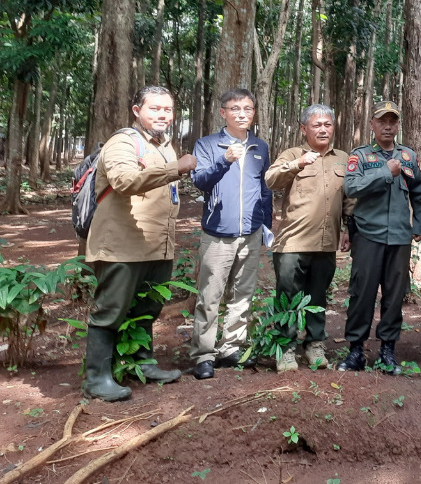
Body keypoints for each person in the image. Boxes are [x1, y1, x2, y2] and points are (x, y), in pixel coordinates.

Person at [83, 86, 197, 401]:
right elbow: (123, 182)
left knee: (148, 308)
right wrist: (178, 167)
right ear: (137, 111)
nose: (162, 114)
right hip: (122, 245)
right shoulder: (123, 142)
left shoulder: (166, 146)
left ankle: (141, 364)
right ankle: (97, 378)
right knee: (111, 309)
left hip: (158, 246)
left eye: (168, 109)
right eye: (154, 108)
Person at [339, 100, 421, 374]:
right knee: (362, 293)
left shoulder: (408, 156)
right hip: (368, 235)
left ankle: (387, 350)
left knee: (394, 294)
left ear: (398, 125)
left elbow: (418, 192)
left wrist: (420, 224)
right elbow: (352, 187)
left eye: (392, 121)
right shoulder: (361, 156)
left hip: (400, 236)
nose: (388, 126)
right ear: (372, 124)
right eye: (382, 121)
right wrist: (384, 173)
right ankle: (356, 350)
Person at [190, 89, 272, 380]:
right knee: (210, 296)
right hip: (217, 233)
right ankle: (203, 354)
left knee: (243, 294)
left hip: (250, 233)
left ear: (254, 113)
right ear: (222, 112)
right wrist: (224, 160)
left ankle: (231, 348)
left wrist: (267, 225)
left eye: (248, 109)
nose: (242, 114)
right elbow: (199, 180)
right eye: (235, 108)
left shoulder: (260, 146)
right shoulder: (208, 144)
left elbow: (264, 189)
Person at [265, 104, 354, 371]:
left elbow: (349, 197)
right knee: (288, 297)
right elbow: (271, 180)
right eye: (317, 125)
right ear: (304, 129)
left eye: (328, 124)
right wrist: (297, 164)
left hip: (327, 244)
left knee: (317, 297)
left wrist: (348, 228)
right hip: (293, 243)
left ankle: (315, 344)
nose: (323, 129)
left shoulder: (343, 158)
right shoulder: (293, 154)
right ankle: (285, 348)